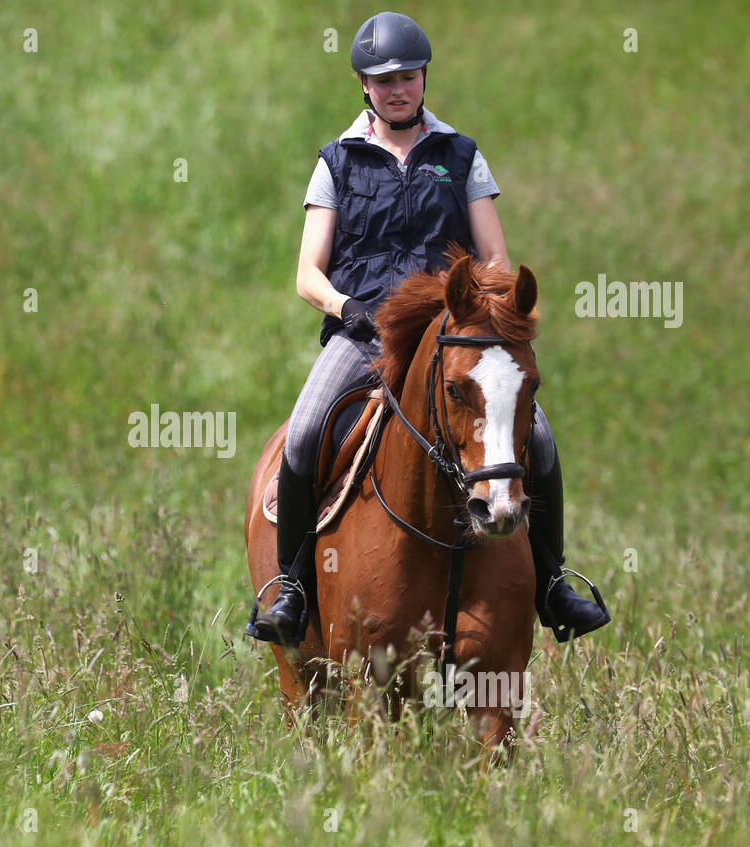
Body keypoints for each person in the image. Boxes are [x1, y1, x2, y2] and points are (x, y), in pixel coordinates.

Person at [251, 11, 610, 646]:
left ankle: (553, 585)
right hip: (364, 335)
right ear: (364, 85)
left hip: (455, 337)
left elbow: (495, 259)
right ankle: (293, 589)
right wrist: (345, 308)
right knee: (305, 435)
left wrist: (487, 308)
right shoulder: (336, 162)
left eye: (409, 77)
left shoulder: (460, 155)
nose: (398, 89)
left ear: (424, 79)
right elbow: (307, 273)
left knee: (543, 443)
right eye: (384, 79)